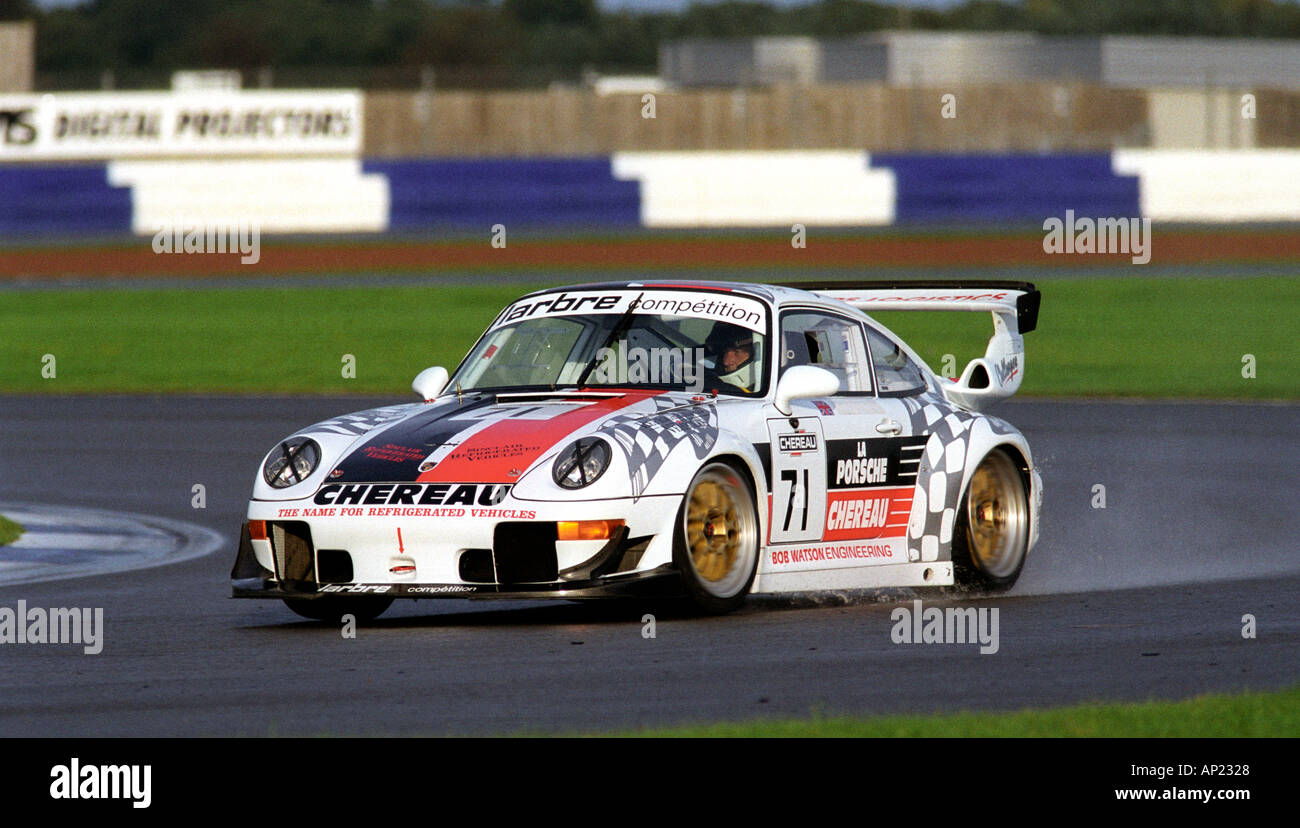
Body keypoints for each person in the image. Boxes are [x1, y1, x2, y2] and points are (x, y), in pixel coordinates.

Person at [703, 323, 760, 393]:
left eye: (737, 352)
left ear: (755, 354)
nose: (726, 362)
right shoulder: (707, 383)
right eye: (724, 353)